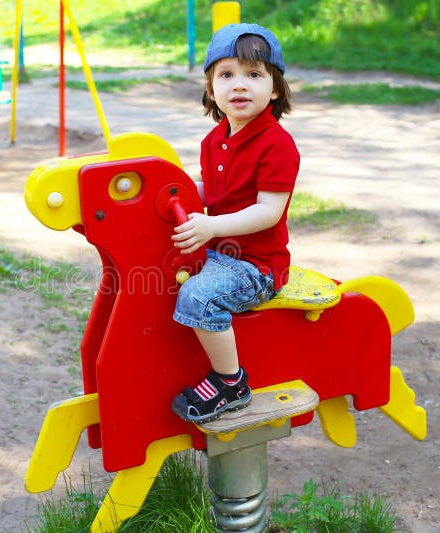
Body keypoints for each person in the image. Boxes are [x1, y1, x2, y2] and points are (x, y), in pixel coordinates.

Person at [170, 23, 300, 423]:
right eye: (227, 75)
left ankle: (231, 381)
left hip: (257, 266)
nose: (239, 85)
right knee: (158, 273)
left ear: (275, 89)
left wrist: (212, 227)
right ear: (211, 89)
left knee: (199, 296)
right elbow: (214, 190)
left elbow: (268, 211)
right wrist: (178, 193)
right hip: (220, 252)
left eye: (254, 74)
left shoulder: (277, 145)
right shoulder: (214, 141)